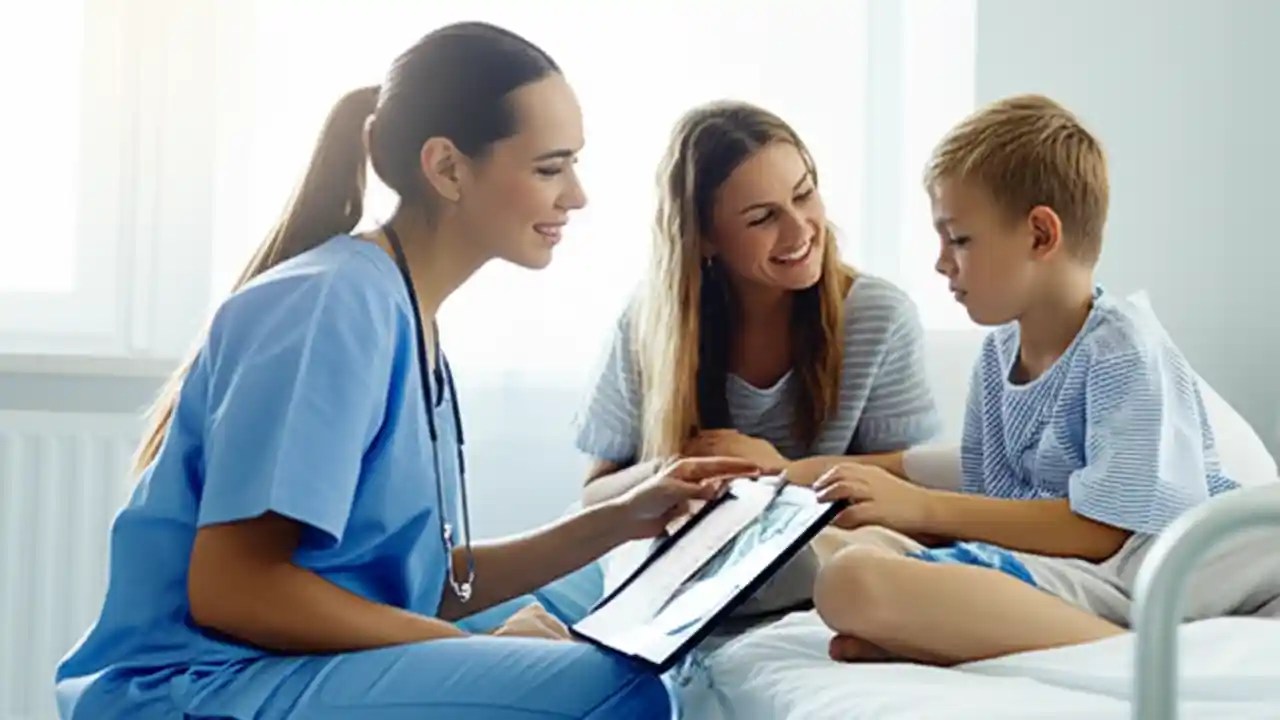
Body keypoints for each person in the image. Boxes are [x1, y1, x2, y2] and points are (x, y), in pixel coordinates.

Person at [53, 22, 761, 719]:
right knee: (614, 688)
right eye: (550, 167)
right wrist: (464, 647)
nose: (576, 195)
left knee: (607, 601)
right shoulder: (329, 306)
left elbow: (423, 582)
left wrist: (620, 521)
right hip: (202, 684)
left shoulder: (405, 311)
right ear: (448, 168)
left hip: (298, 662)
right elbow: (237, 590)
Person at [811, 94, 1280, 666]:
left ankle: (1147, 657)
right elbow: (990, 506)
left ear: (1039, 235)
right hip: (1067, 572)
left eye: (958, 239)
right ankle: (984, 627)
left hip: (1144, 572)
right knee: (836, 552)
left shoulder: (1120, 348)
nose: (941, 263)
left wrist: (917, 508)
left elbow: (1102, 530)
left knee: (853, 581)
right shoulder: (997, 354)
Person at [577, 99, 940, 514]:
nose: (799, 230)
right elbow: (595, 494)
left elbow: (905, 485)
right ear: (705, 239)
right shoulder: (649, 321)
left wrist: (782, 471)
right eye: (762, 218)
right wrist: (678, 469)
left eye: (804, 194)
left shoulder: (880, 317)